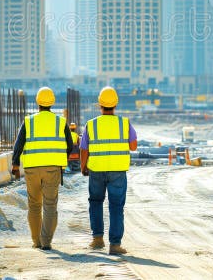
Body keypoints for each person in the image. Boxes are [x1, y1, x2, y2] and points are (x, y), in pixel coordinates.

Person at [10, 87, 73, 251]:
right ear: (52, 102)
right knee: (50, 205)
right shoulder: (61, 122)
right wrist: (61, 159)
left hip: (32, 168)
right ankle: (46, 242)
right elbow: (70, 145)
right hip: (52, 169)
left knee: (34, 205)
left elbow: (19, 145)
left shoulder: (29, 121)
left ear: (37, 102)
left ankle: (36, 241)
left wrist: (15, 164)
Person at [80, 86, 137, 256]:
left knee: (96, 202)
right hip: (118, 171)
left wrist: (83, 167)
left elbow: (84, 149)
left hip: (96, 170)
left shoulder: (91, 124)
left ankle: (97, 239)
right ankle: (115, 245)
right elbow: (133, 146)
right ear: (115, 104)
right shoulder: (124, 123)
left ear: (100, 105)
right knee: (116, 206)